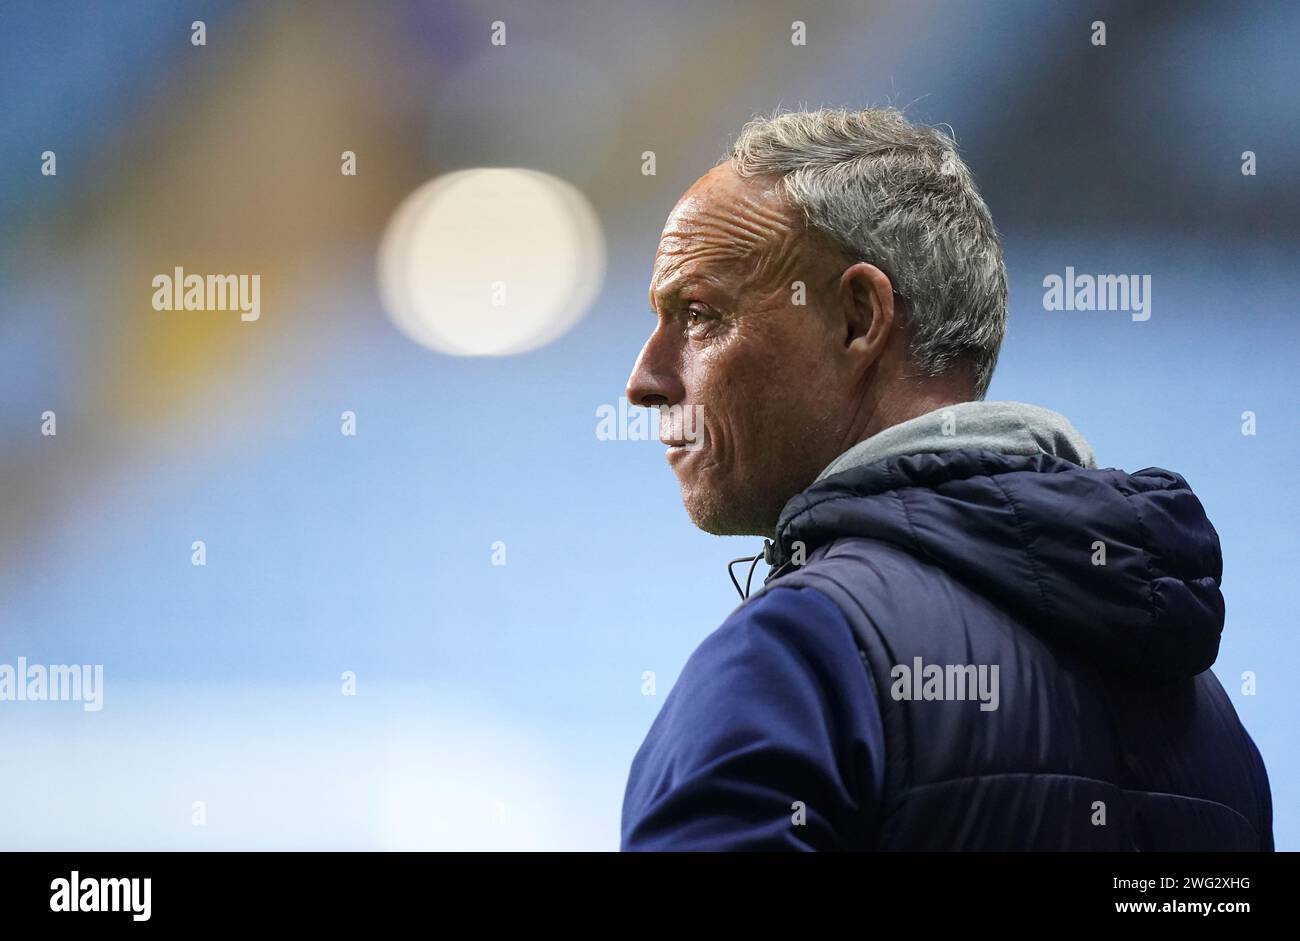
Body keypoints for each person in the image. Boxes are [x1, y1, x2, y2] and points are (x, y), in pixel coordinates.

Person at [620, 107, 1273, 851]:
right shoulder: (1214, 726)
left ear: (858, 318)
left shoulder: (797, 658)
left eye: (699, 314)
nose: (645, 380)